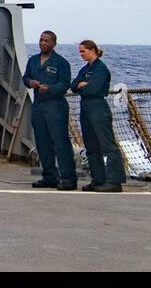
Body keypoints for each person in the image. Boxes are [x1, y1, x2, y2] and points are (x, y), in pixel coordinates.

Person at [22, 29, 77, 190]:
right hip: (39, 106)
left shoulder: (61, 63)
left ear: (54, 44)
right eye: (41, 40)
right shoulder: (33, 61)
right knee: (42, 142)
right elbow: (25, 78)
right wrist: (30, 82)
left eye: (46, 41)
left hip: (55, 106)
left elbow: (65, 84)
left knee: (60, 142)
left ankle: (68, 178)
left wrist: (51, 88)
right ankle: (49, 176)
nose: (43, 43)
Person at [72, 40, 126, 193]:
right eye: (80, 52)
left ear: (92, 50)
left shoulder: (101, 69)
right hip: (86, 108)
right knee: (91, 146)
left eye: (83, 51)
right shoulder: (85, 69)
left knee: (107, 145)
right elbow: (73, 85)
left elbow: (93, 89)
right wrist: (81, 85)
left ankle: (114, 181)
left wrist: (83, 86)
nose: (81, 54)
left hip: (98, 107)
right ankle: (98, 179)